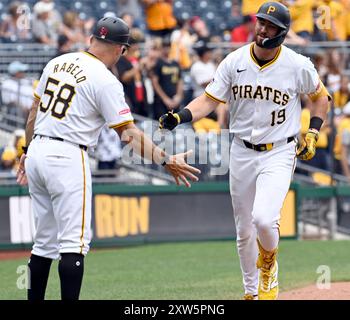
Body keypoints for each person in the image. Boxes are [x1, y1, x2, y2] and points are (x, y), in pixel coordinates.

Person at [16, 16, 200, 301]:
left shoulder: (57, 62)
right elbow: (128, 134)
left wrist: (26, 151)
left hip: (37, 149)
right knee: (73, 244)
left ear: (91, 39)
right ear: (121, 49)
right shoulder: (105, 79)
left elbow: (33, 112)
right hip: (67, 155)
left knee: (43, 244)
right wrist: (165, 159)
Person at [159, 2, 330, 300]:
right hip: (240, 150)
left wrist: (313, 132)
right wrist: (180, 116)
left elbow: (321, 98)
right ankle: (251, 292)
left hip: (279, 150)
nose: (263, 28)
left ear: (282, 33)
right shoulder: (234, 61)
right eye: (261, 22)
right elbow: (209, 100)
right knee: (243, 232)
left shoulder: (297, 64)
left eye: (270, 25)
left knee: (264, 218)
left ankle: (269, 267)